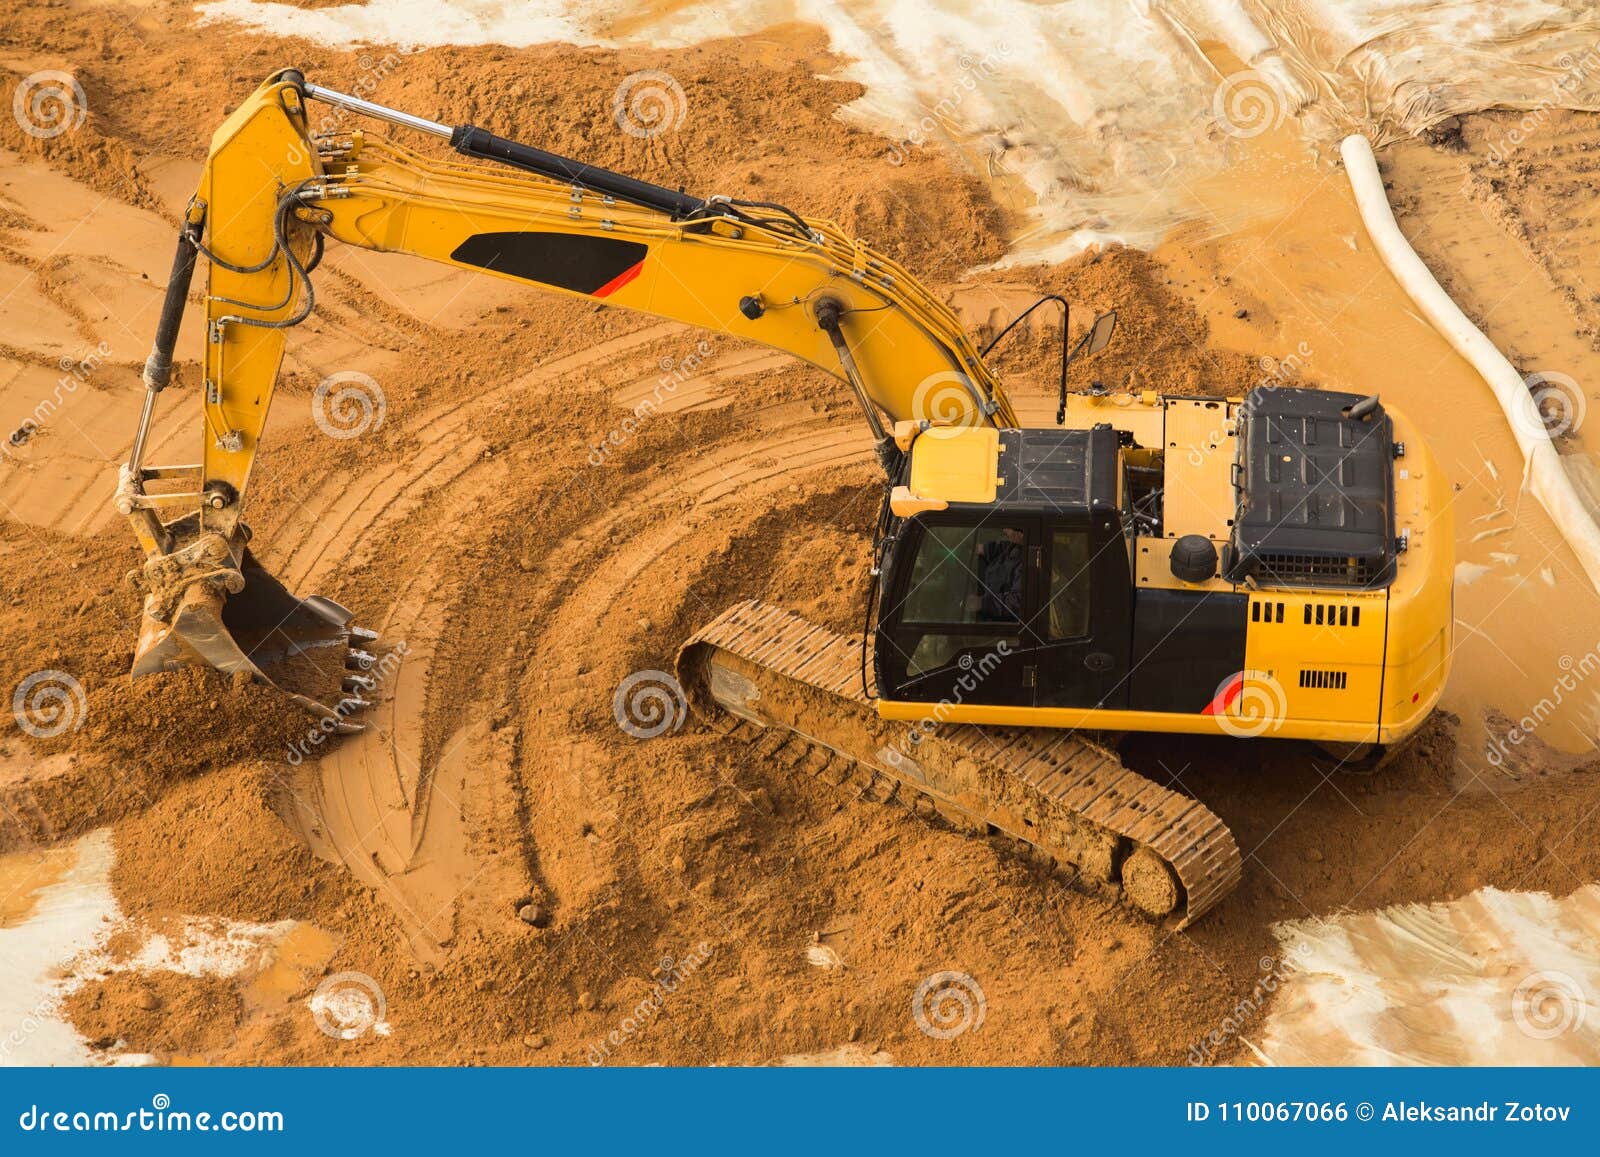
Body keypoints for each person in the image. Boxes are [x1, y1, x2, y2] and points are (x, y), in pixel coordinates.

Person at [976, 528, 1025, 621]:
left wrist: (981, 603)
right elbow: (1001, 549)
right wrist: (982, 549)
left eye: (1008, 529)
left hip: (1002, 623)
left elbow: (1017, 603)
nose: (1004, 531)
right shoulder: (1016, 546)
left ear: (1020, 534)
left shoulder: (1029, 561)